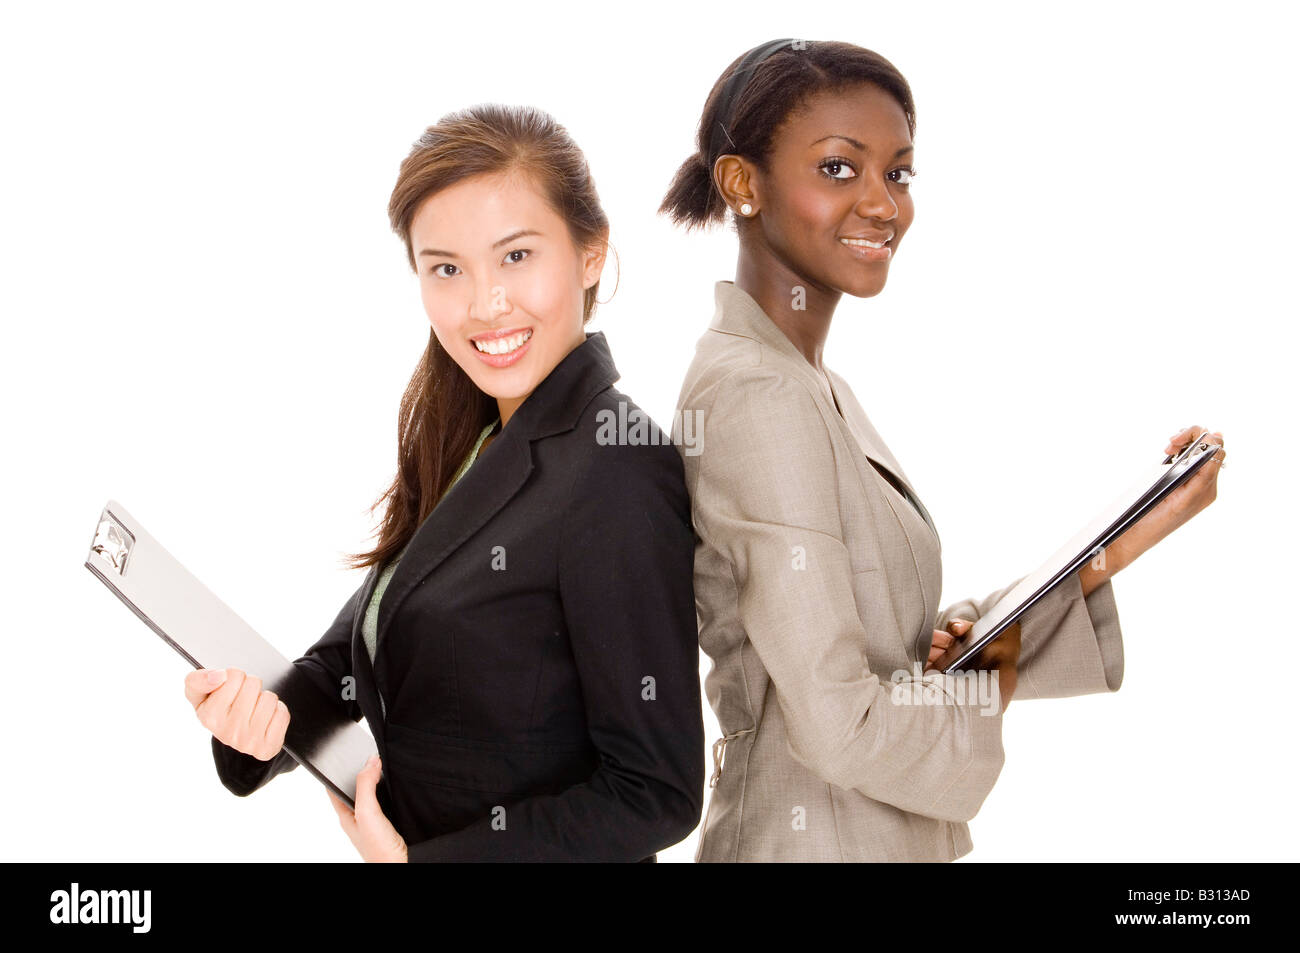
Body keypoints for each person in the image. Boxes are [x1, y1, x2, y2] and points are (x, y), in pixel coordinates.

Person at [660, 38, 1226, 862]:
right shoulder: (758, 395)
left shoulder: (809, 382)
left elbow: (879, 648)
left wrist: (1122, 542)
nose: (884, 203)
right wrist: (984, 688)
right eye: (838, 168)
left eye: (898, 172)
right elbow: (840, 723)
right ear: (743, 185)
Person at [184, 103, 704, 862]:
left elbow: (657, 789)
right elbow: (355, 655)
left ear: (591, 253)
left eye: (517, 256)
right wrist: (254, 723)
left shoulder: (617, 468)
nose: (485, 302)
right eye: (447, 268)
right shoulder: (470, 437)